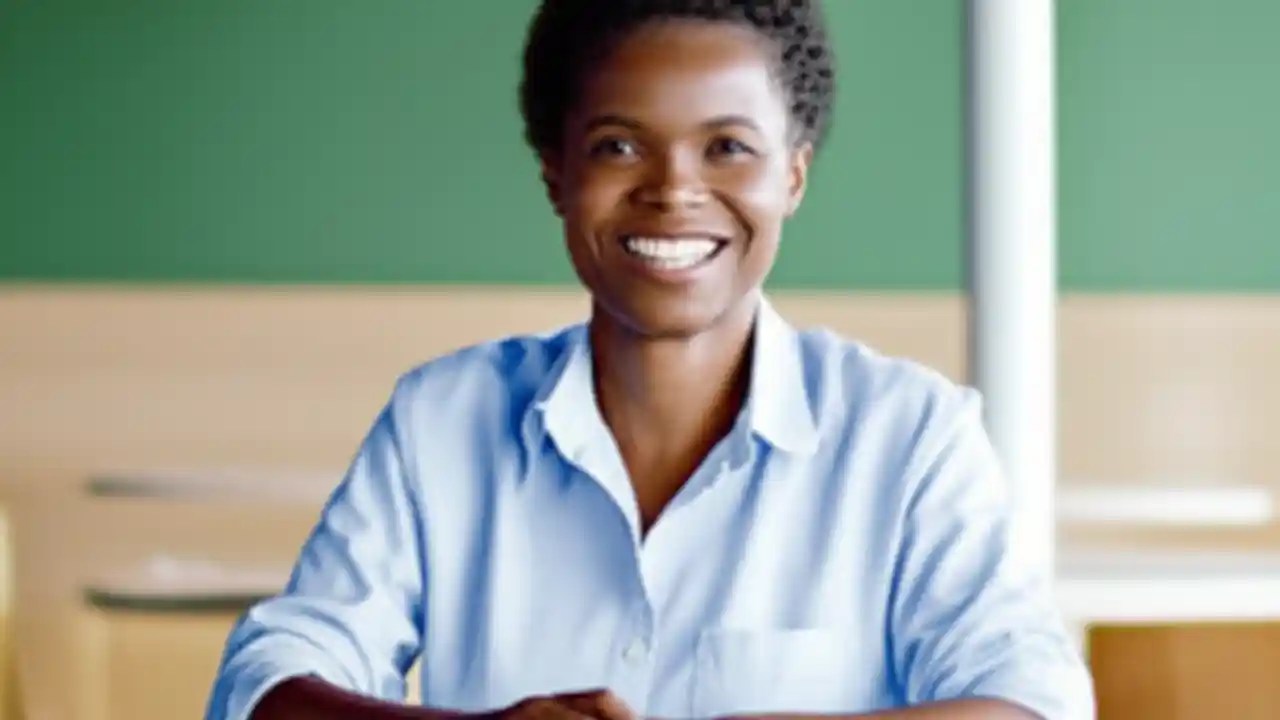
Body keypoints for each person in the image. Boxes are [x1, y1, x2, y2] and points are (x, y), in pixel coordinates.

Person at [206, 1, 1094, 718]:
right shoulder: (442, 419)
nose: (673, 189)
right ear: (555, 171)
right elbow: (265, 682)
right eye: (618, 145)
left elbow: (1036, 699)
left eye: (728, 147)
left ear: (793, 174)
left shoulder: (910, 434)